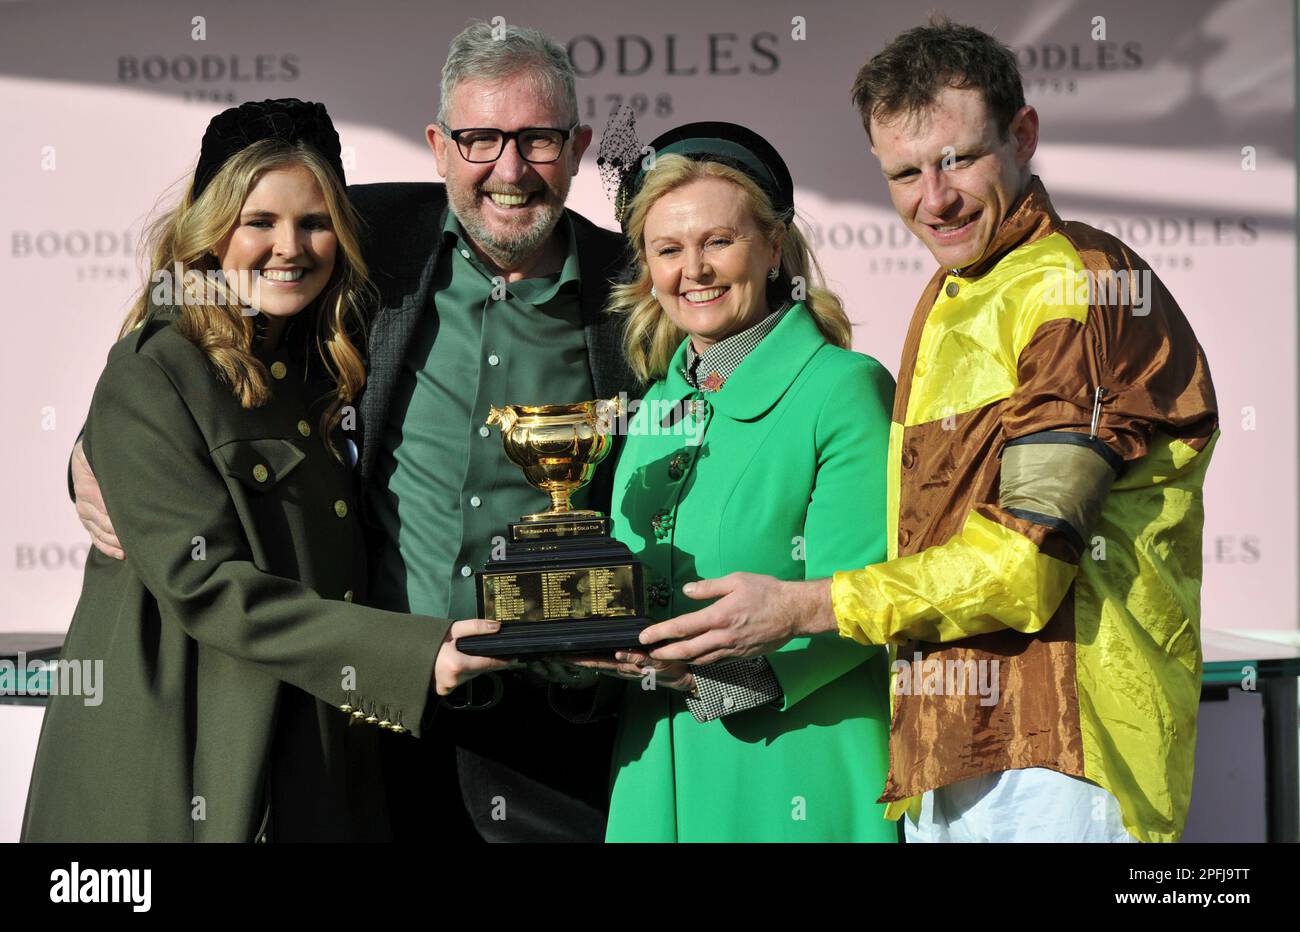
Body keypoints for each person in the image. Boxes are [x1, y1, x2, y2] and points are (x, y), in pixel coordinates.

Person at [639, 18, 1219, 844]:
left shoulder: (1078, 288)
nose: (932, 198)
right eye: (904, 172)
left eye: (957, 159)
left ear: (1023, 136)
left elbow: (1026, 564)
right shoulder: (956, 289)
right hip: (948, 751)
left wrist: (805, 604)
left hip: (1064, 748)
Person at [68, 23, 639, 843]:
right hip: (370, 725)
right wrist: (89, 456)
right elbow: (189, 354)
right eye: (480, 138)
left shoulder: (636, 290)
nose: (508, 170)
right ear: (440, 146)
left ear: (579, 146)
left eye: (538, 139)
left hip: (554, 732)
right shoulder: (366, 241)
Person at [24, 99, 508, 842]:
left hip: (321, 754)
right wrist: (413, 656)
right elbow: (206, 584)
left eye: (315, 222)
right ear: (212, 231)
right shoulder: (156, 369)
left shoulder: (324, 361)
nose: (291, 246)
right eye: (260, 222)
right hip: (185, 765)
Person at [576, 123, 896, 842]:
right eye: (668, 249)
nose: (695, 270)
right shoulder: (654, 401)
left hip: (795, 776)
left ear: (774, 247)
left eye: (719, 241)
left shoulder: (846, 390)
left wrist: (703, 682)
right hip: (651, 771)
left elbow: (865, 606)